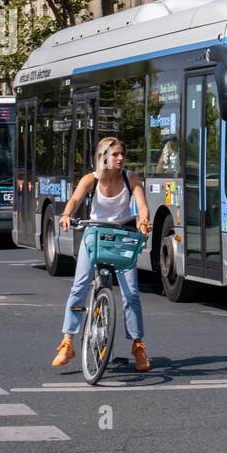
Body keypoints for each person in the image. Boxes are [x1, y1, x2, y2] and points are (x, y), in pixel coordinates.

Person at [51, 138, 155, 372]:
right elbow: (76, 199)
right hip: (95, 233)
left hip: (123, 235)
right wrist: (67, 214)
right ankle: (67, 342)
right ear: (103, 157)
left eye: (122, 154)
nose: (120, 158)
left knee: (132, 293)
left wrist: (144, 220)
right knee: (79, 285)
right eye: (115, 154)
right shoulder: (91, 179)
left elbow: (142, 205)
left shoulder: (131, 178)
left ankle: (138, 346)